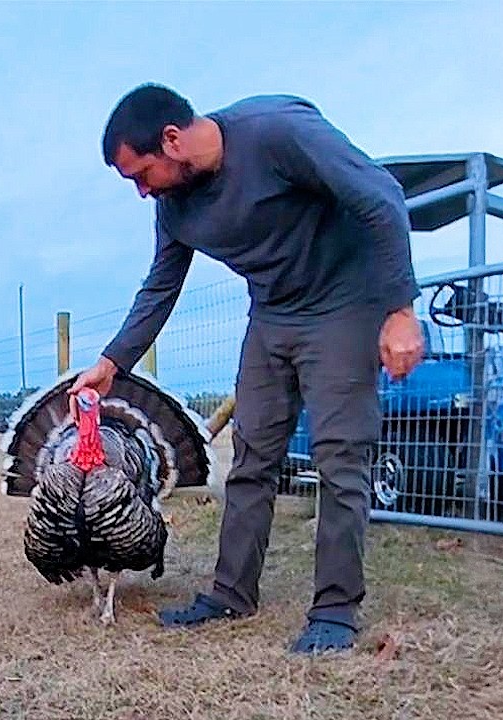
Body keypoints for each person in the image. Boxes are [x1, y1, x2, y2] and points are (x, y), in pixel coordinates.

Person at [69, 83, 425, 655]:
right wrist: (111, 363)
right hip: (273, 315)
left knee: (340, 457)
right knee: (252, 455)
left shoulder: (278, 133)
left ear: (172, 139)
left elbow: (381, 197)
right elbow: (162, 282)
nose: (141, 192)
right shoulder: (174, 205)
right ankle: (231, 594)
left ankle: (334, 611)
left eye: (141, 175)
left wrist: (401, 311)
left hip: (344, 303)